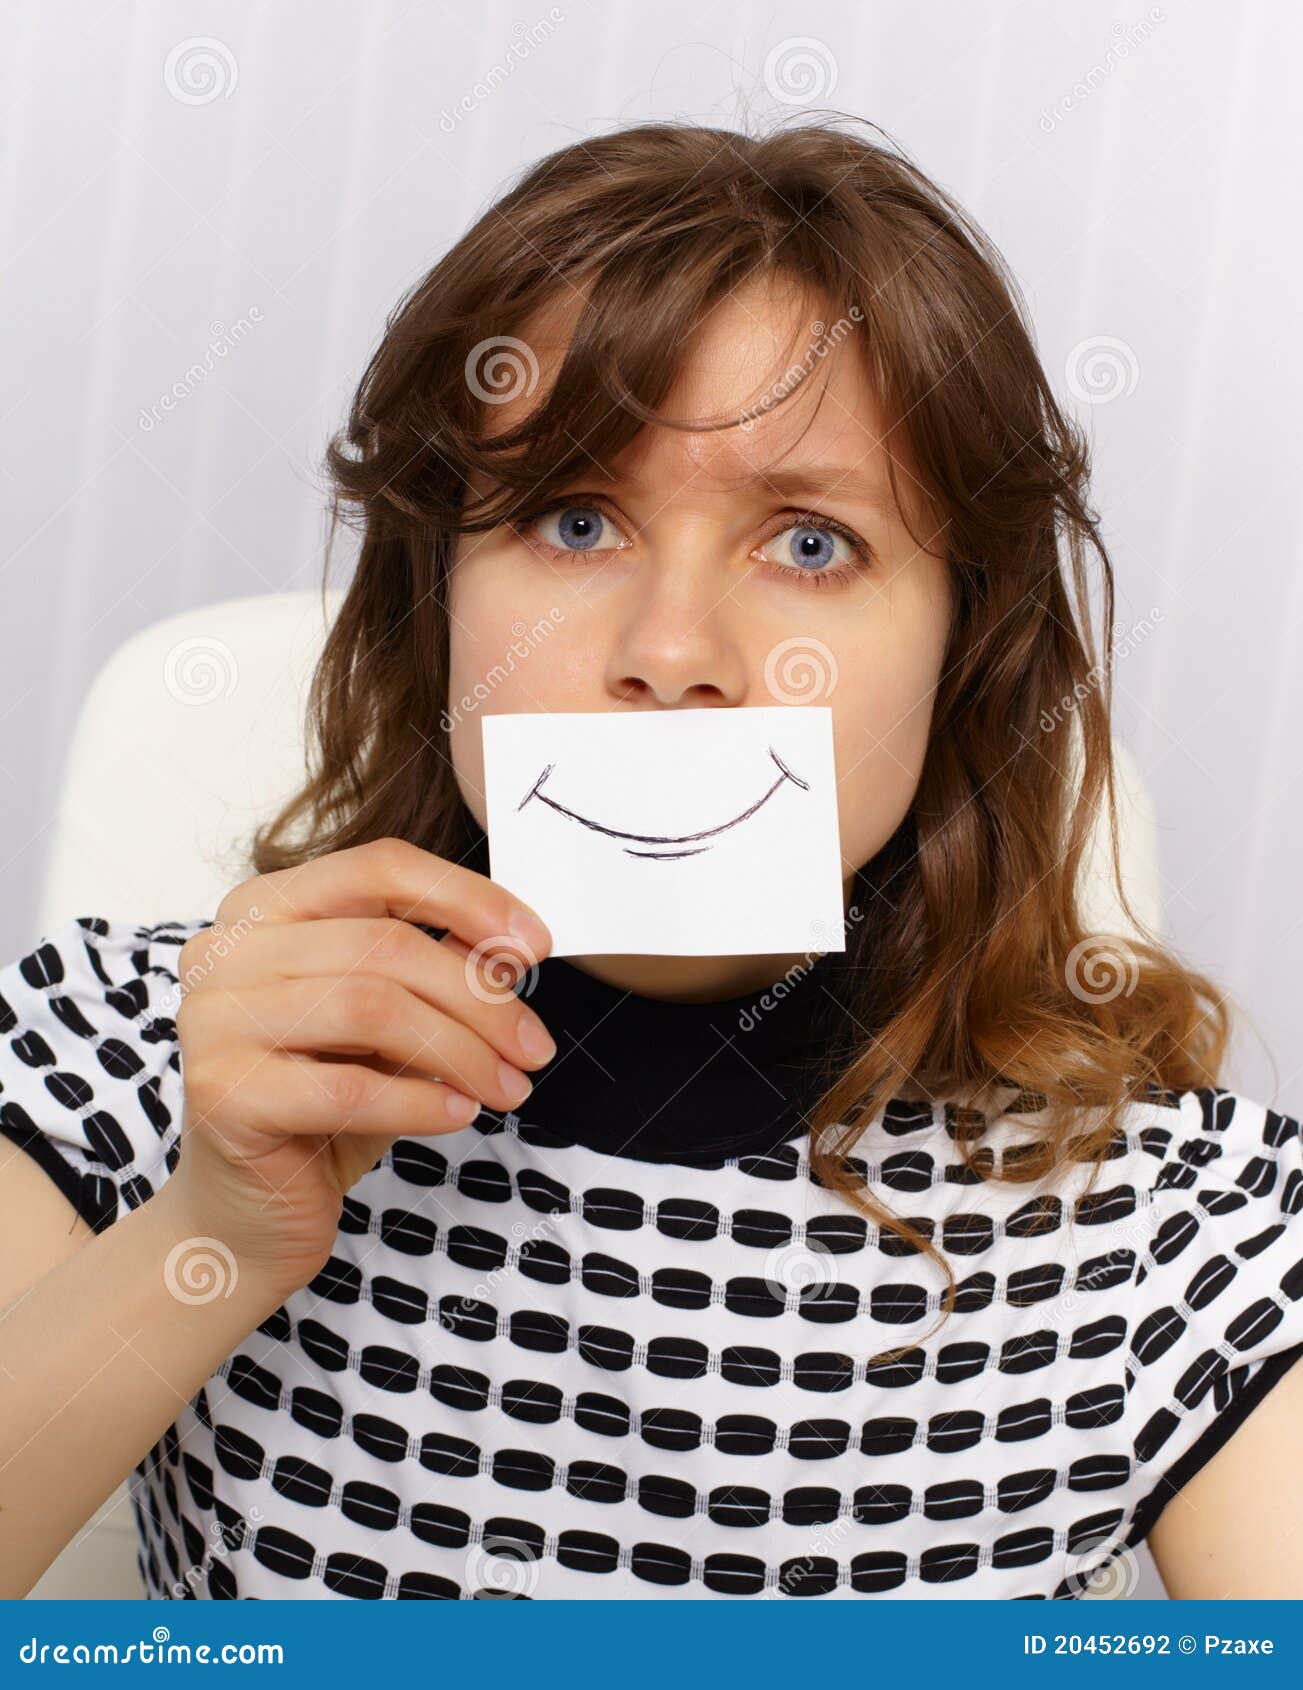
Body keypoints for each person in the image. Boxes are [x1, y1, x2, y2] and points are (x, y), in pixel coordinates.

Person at [2, 118, 1300, 1602]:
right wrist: (215, 1234)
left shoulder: (1183, 1223)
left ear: (964, 653)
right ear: (439, 607)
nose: (671, 653)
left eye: (810, 543)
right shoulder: (144, 1046)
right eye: (574, 519)